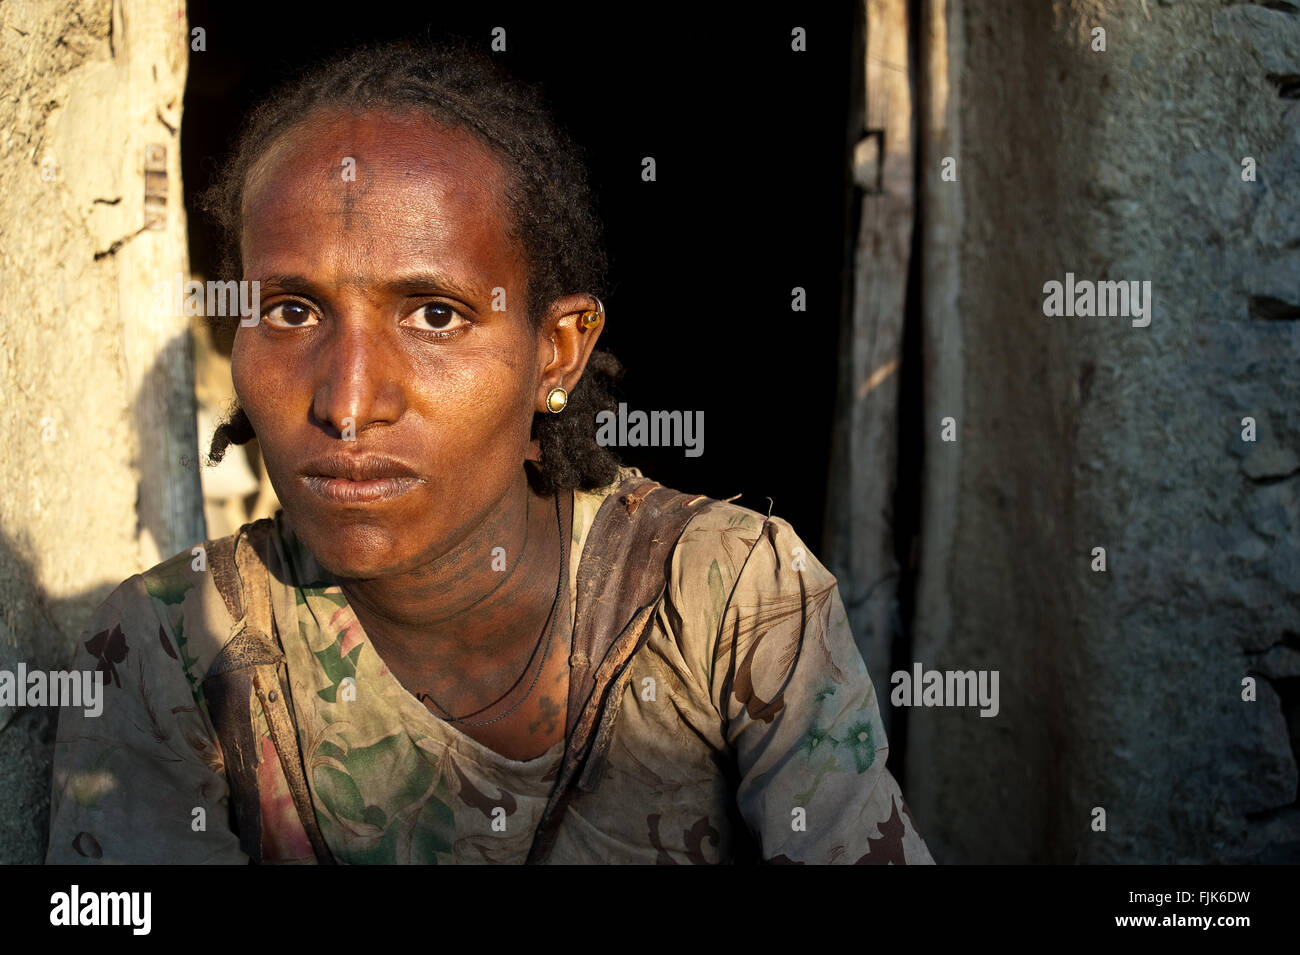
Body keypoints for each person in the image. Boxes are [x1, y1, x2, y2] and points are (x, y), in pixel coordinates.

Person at [45, 39, 933, 865]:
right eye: (292, 310)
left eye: (435, 313)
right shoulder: (174, 645)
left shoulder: (725, 597)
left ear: (558, 352)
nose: (349, 402)